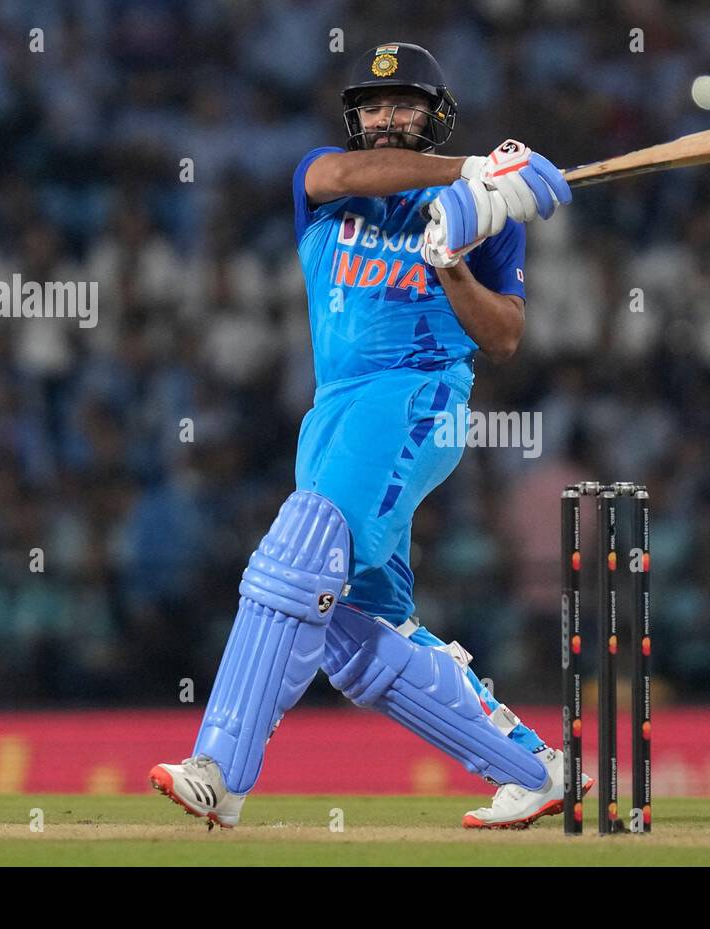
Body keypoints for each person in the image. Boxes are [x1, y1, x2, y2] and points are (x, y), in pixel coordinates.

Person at [149, 42, 584, 830]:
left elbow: (506, 336)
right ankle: (538, 769)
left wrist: (453, 259)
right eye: (372, 108)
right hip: (335, 412)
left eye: (404, 106)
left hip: (419, 396)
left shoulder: (490, 221)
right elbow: (346, 176)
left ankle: (220, 770)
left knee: (304, 540)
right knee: (355, 630)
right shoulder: (328, 177)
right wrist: (474, 172)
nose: (385, 120)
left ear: (435, 114)